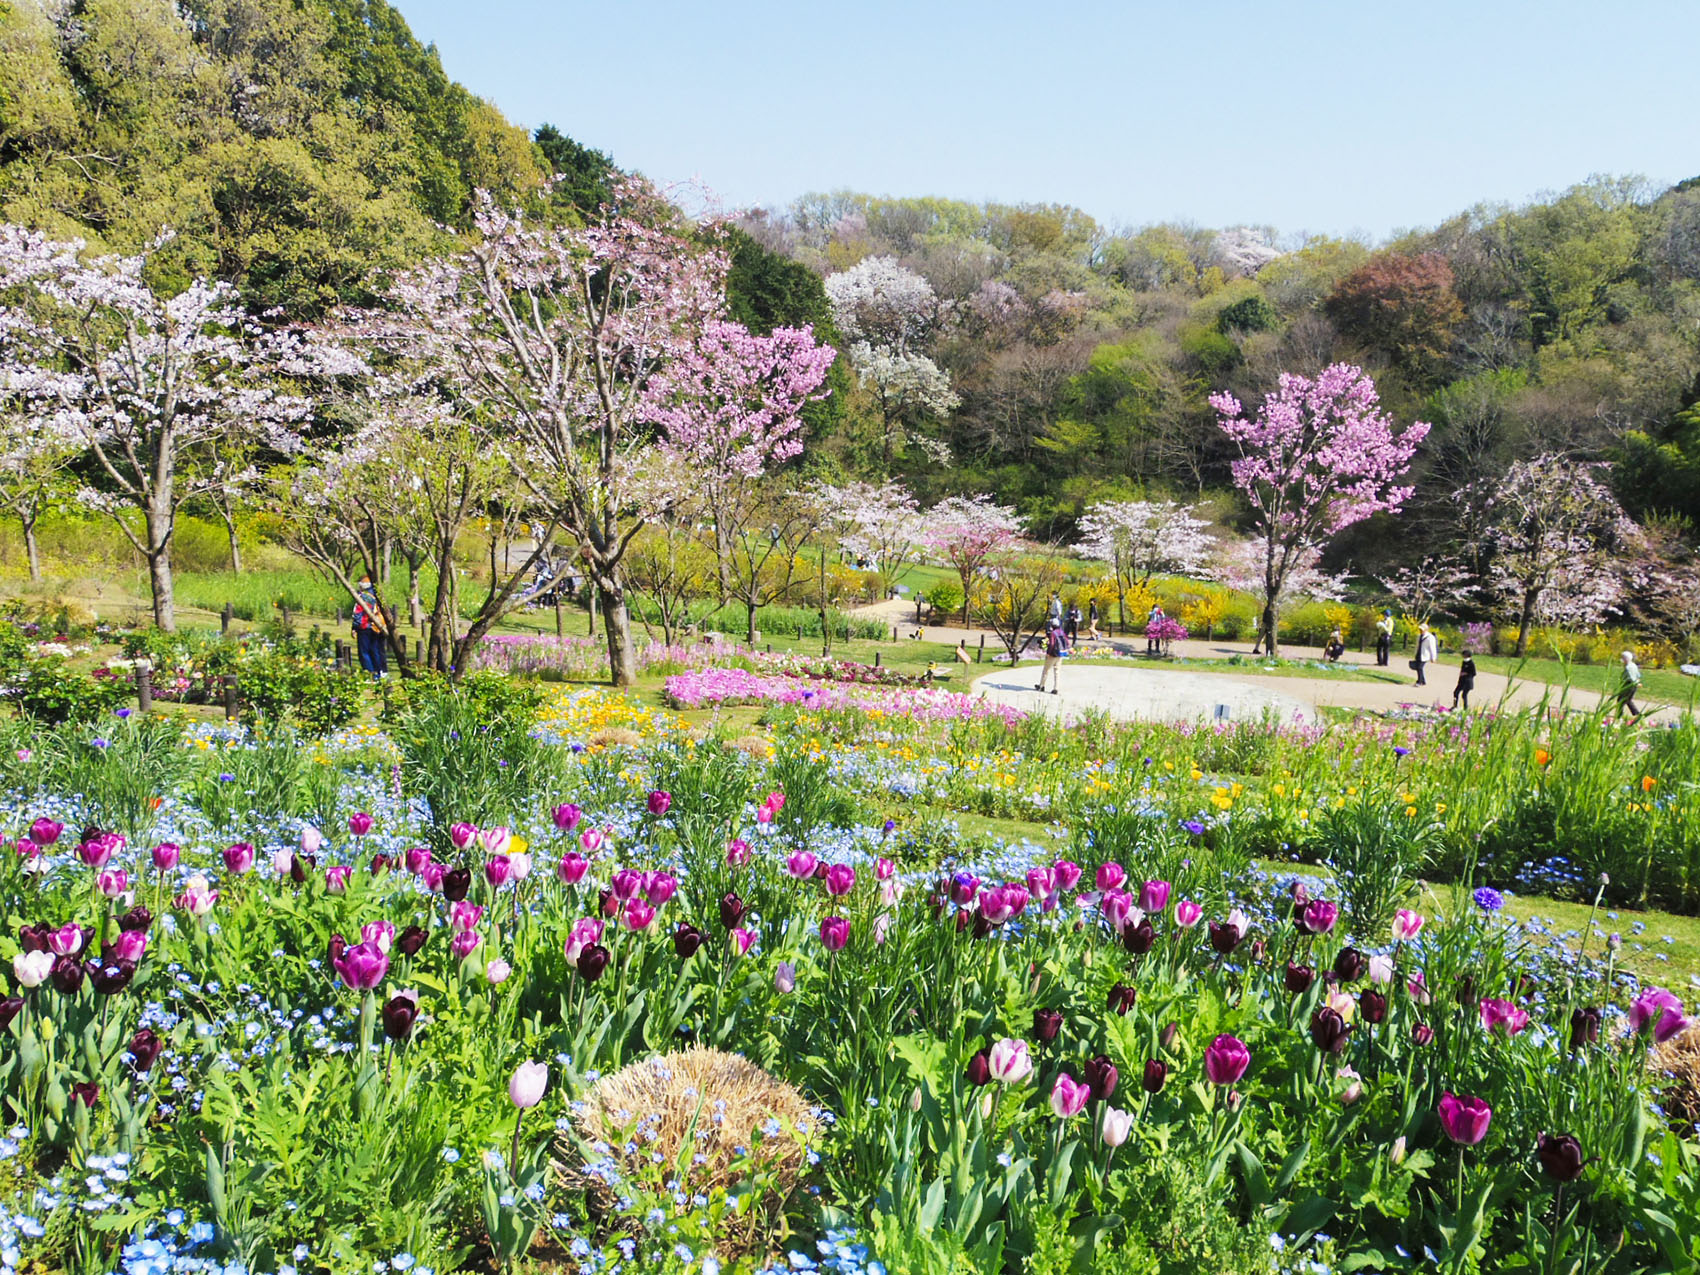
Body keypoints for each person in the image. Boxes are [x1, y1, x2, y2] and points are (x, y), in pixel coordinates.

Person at [352, 574, 388, 677]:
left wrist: (355, 627)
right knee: (375, 650)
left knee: (364, 652)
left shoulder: (363, 597)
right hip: (377, 626)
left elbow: (358, 613)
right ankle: (380, 671)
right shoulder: (377, 595)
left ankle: (370, 674)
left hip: (365, 627)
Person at [1036, 621, 1068, 695]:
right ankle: (1056, 688)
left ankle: (1041, 686)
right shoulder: (1062, 632)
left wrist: (1048, 653)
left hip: (1053, 654)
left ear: (1052, 625)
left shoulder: (1053, 633)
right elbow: (1067, 642)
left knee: (1046, 670)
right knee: (1057, 671)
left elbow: (1052, 644)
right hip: (1060, 654)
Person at [1617, 649, 1645, 720]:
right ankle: (1636, 714)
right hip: (1632, 685)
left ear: (1626, 659)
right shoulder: (1633, 665)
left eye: (1623, 658)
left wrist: (1636, 683)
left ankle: (1620, 715)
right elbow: (1638, 675)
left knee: (1621, 700)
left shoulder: (1628, 667)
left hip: (1629, 685)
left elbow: (1632, 677)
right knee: (1627, 700)